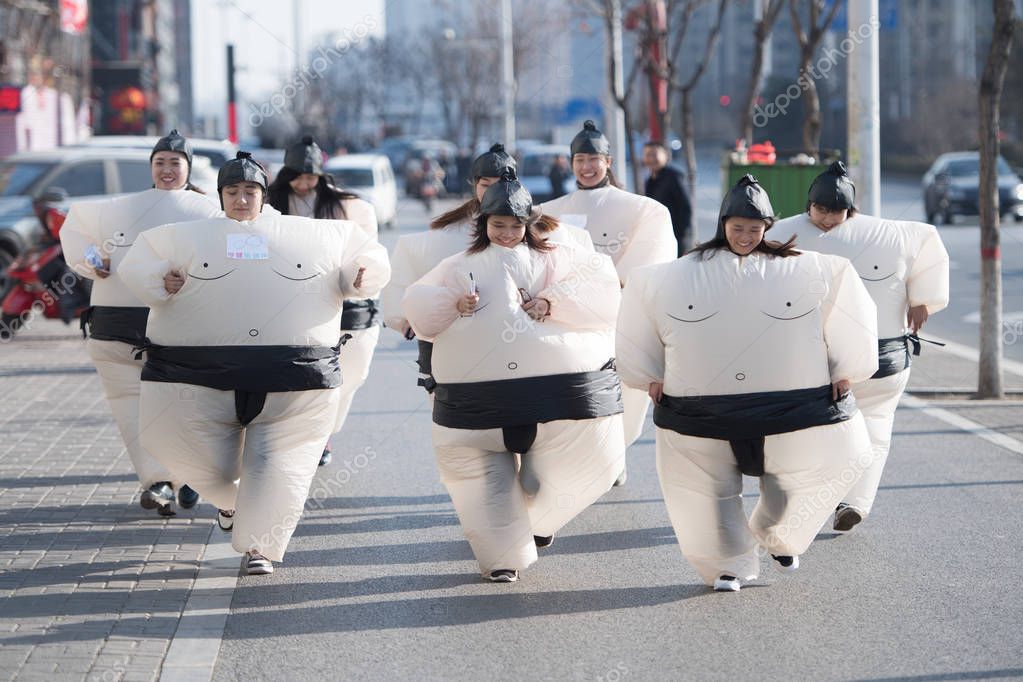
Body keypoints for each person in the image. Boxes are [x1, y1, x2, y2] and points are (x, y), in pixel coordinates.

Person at [118, 152, 390, 575]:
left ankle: (261, 547)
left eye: (249, 191)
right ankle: (231, 503)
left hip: (293, 374)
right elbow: (140, 263)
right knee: (208, 463)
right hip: (202, 373)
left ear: (263, 196)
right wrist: (161, 279)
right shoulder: (186, 238)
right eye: (232, 192)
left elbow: (361, 257)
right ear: (220, 195)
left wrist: (361, 275)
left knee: (283, 464)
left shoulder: (310, 236)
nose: (241, 200)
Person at [616, 175, 878, 592]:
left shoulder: (811, 269)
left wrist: (846, 367)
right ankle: (725, 566)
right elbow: (638, 307)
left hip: (791, 408)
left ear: (767, 229)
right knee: (707, 494)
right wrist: (650, 374)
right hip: (702, 412)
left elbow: (848, 308)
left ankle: (779, 533)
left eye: (754, 230)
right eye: (737, 228)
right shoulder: (675, 276)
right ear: (723, 225)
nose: (745, 237)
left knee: (811, 473)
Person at [403, 170, 624, 582]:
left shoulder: (558, 256)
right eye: (498, 225)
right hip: (477, 400)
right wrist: (455, 305)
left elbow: (602, 286)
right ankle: (503, 557)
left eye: (515, 225)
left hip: (555, 395)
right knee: (480, 480)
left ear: (529, 225)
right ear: (483, 225)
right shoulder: (458, 266)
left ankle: (537, 524)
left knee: (559, 476)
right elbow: (419, 305)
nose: (506, 233)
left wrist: (549, 303)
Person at [772, 161, 950, 532]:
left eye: (834, 212)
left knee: (821, 434)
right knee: (874, 432)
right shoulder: (894, 234)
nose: (826, 219)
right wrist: (924, 296)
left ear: (849, 210)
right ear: (810, 205)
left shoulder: (783, 232)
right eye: (823, 210)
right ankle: (852, 501)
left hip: (825, 361)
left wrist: (920, 300)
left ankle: (828, 500)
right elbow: (928, 243)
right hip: (876, 356)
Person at [59, 130, 220, 516]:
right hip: (117, 328)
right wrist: (90, 260)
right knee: (131, 409)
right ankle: (159, 481)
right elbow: (78, 228)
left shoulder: (209, 212)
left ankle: (189, 476)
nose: (166, 169)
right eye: (159, 162)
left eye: (174, 162)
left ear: (188, 168)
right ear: (150, 168)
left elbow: (231, 260)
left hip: (184, 330)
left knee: (187, 406)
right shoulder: (121, 210)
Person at [382, 144, 591, 393]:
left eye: (500, 183)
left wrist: (548, 303)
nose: (493, 191)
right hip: (459, 345)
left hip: (524, 343)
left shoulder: (547, 230)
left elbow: (577, 274)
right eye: (485, 185)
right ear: (474, 185)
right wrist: (407, 317)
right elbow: (418, 274)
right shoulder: (449, 231)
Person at [541, 120, 676, 485]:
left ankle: (615, 452)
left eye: (594, 159)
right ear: (570, 163)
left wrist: (607, 287)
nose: (587, 167)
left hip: (620, 314)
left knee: (627, 390)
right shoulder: (546, 211)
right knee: (571, 390)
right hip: (566, 317)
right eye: (580, 159)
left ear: (609, 161)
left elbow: (651, 254)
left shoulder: (644, 209)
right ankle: (583, 458)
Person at [267, 135, 381, 467]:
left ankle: (325, 429)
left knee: (351, 372)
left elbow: (365, 249)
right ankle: (308, 436)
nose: (304, 183)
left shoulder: (347, 207)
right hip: (290, 303)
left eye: (311, 176)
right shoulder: (270, 205)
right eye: (298, 175)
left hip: (344, 301)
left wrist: (360, 275)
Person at [643, 141, 694, 256]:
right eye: (647, 155)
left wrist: (683, 238)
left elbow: (686, 207)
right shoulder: (649, 181)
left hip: (676, 238)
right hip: (658, 238)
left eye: (654, 154)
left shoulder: (674, 177)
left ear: (665, 155)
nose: (651, 159)